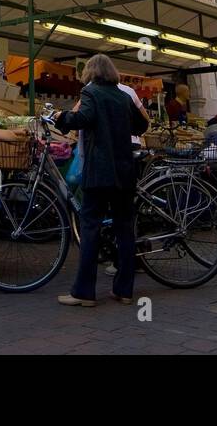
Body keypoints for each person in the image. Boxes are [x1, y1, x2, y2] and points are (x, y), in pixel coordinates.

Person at [54, 54, 147, 307]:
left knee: (90, 227)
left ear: (91, 72)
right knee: (125, 229)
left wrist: (61, 117)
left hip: (99, 172)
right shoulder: (123, 96)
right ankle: (124, 290)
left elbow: (82, 119)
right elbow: (142, 124)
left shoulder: (90, 92)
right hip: (125, 171)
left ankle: (84, 293)